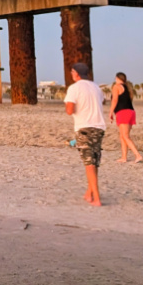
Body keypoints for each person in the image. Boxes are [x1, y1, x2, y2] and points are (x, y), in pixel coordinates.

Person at [64, 62, 106, 206]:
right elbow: (102, 102)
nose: (71, 74)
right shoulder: (96, 87)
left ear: (76, 73)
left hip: (84, 127)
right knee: (94, 161)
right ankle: (90, 192)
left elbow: (70, 110)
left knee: (89, 164)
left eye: (72, 72)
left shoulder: (74, 88)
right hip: (99, 127)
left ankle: (97, 198)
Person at [110, 72, 142, 163]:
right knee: (122, 136)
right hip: (131, 112)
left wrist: (110, 112)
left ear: (117, 78)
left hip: (123, 112)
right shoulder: (127, 88)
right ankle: (124, 157)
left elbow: (115, 100)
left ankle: (138, 155)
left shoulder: (116, 87)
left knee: (125, 136)